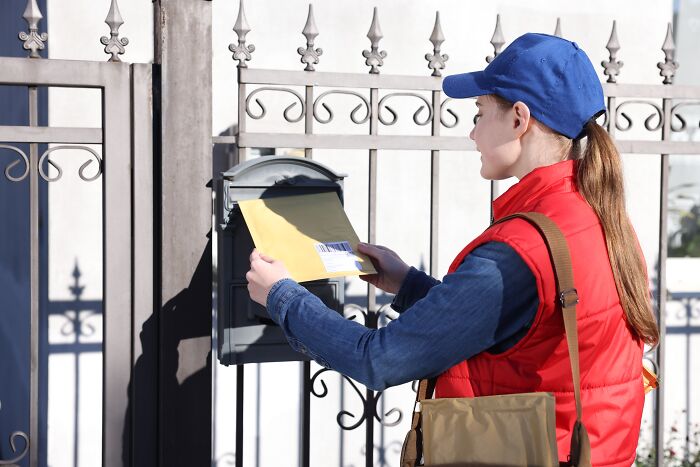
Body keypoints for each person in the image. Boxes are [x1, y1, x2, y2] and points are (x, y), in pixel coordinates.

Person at [246, 33, 659, 466]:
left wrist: (283, 296)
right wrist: (407, 284)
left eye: (480, 114)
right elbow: (515, 327)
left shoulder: (520, 249)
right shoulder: (600, 218)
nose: (473, 131)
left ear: (520, 119)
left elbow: (378, 359)